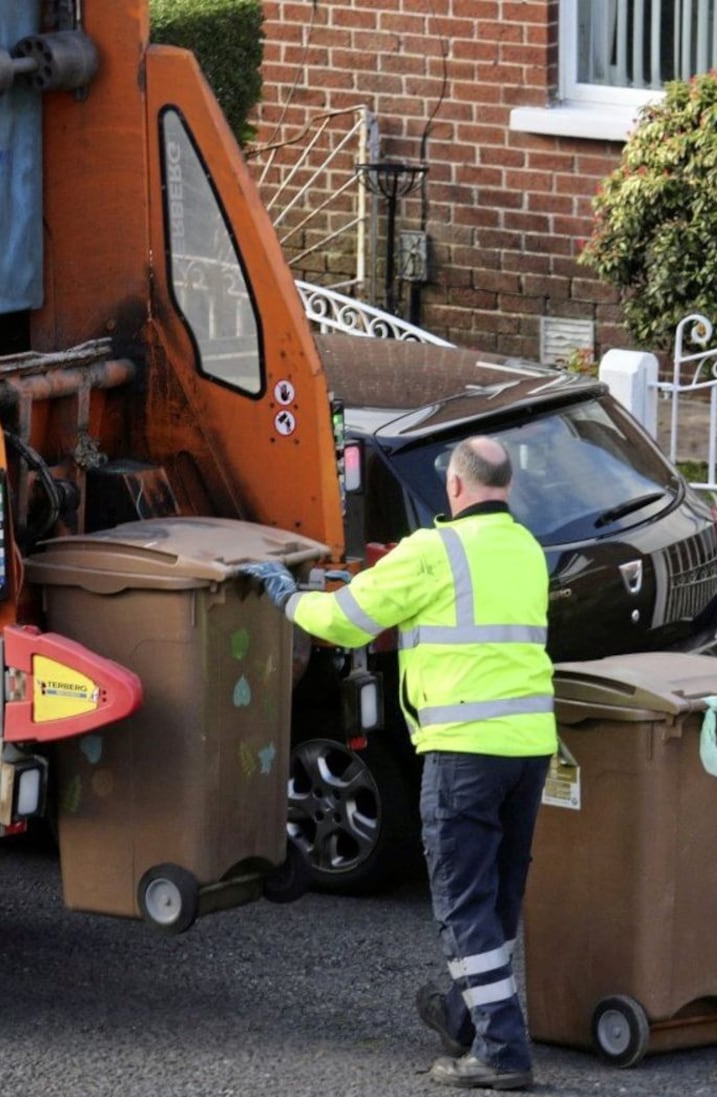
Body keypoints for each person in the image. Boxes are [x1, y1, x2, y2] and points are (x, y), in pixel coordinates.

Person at [242, 435, 556, 1091]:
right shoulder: (527, 549)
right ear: (505, 486)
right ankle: (466, 1019)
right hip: (529, 748)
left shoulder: (432, 551)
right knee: (497, 898)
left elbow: (347, 619)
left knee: (464, 902)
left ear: (456, 487)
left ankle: (502, 1049)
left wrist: (285, 597)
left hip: (465, 750)